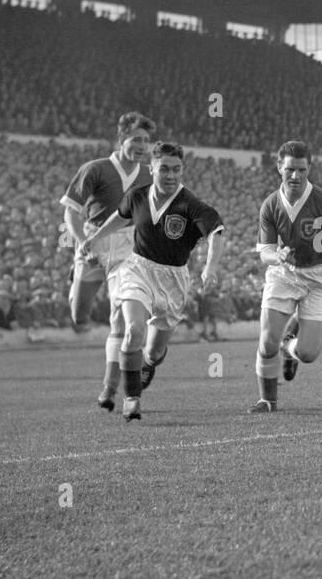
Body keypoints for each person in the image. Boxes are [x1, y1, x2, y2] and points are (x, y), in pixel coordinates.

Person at [78, 141, 224, 420]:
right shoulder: (137, 196)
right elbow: (119, 218)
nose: (171, 175)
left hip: (174, 280)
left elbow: (216, 234)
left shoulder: (191, 205)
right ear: (152, 168)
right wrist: (95, 239)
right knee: (133, 329)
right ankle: (132, 398)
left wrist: (210, 268)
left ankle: (148, 362)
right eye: (165, 169)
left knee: (155, 350)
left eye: (177, 169)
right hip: (138, 269)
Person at [248, 140, 322, 414]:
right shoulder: (270, 205)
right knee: (266, 342)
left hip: (319, 278)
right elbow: (265, 252)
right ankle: (267, 401)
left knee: (308, 354)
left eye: (302, 170)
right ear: (279, 167)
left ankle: (289, 349)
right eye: (290, 169)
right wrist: (277, 256)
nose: (296, 176)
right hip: (284, 274)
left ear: (309, 168)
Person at [59, 112, 155, 408]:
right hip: (94, 241)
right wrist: (83, 243)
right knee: (79, 317)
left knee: (121, 323)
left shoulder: (148, 175)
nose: (142, 146)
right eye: (136, 139)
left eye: (147, 141)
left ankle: (109, 390)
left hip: (128, 248)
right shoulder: (95, 169)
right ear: (122, 138)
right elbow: (71, 211)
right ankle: (75, 282)